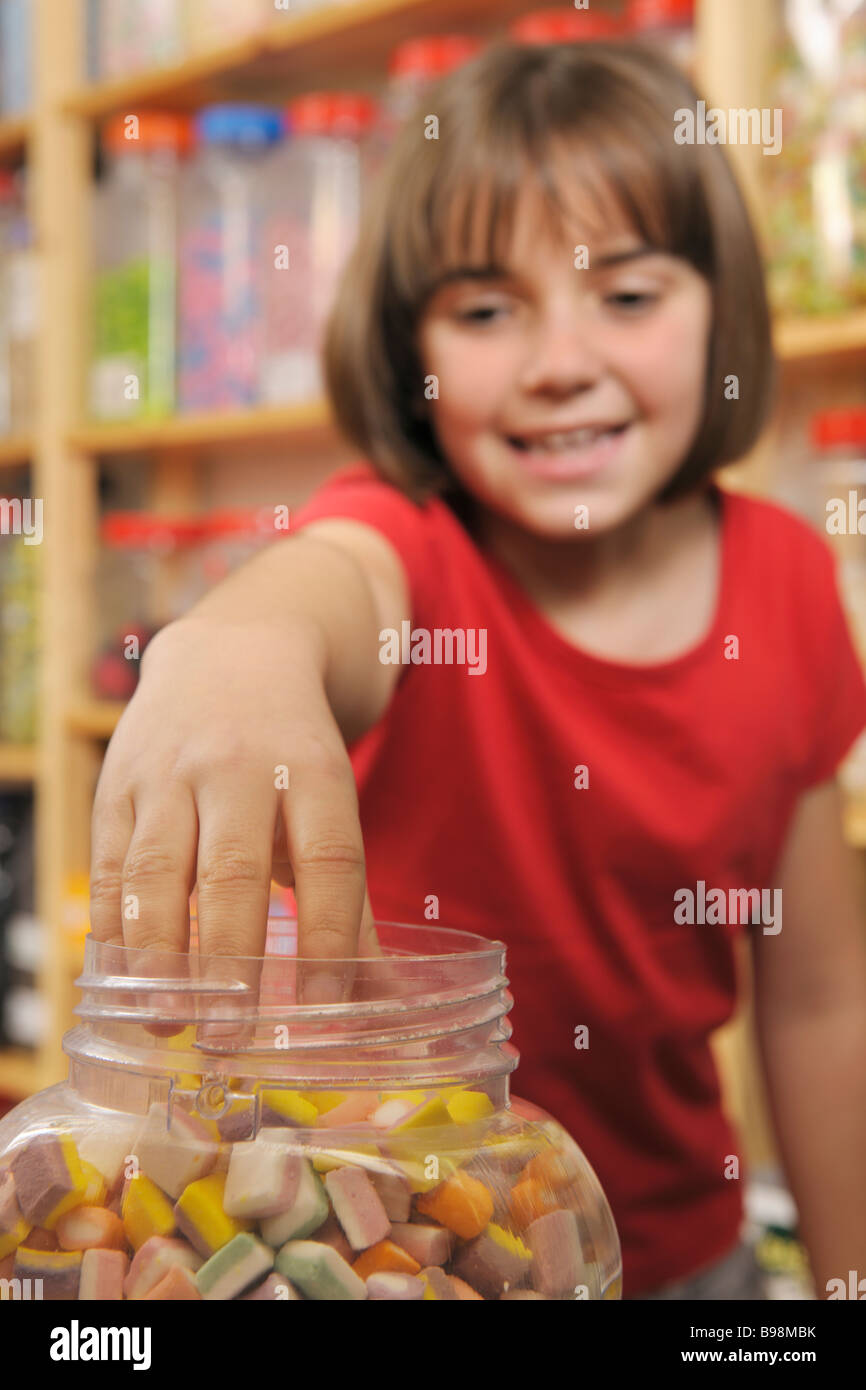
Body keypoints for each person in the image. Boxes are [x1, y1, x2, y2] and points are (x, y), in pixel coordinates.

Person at [89, 40, 866, 1299]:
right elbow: (325, 587)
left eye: (625, 293)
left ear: (719, 304)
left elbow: (824, 1000)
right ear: (411, 354)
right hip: (406, 1258)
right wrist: (232, 647)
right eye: (486, 310)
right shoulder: (411, 546)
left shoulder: (783, 582)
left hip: (683, 1265)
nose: (560, 360)